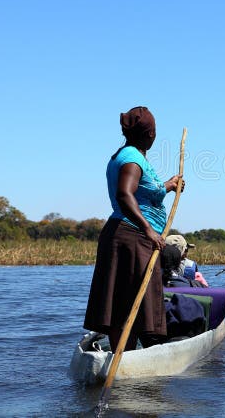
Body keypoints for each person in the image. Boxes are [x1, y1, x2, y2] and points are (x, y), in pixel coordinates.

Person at [84, 106, 184, 351]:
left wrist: (168, 186)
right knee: (126, 305)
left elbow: (141, 192)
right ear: (150, 134)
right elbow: (125, 195)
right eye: (155, 131)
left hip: (124, 235)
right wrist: (149, 230)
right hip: (131, 238)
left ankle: (125, 354)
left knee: (125, 304)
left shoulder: (126, 155)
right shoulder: (132, 158)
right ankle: (124, 357)